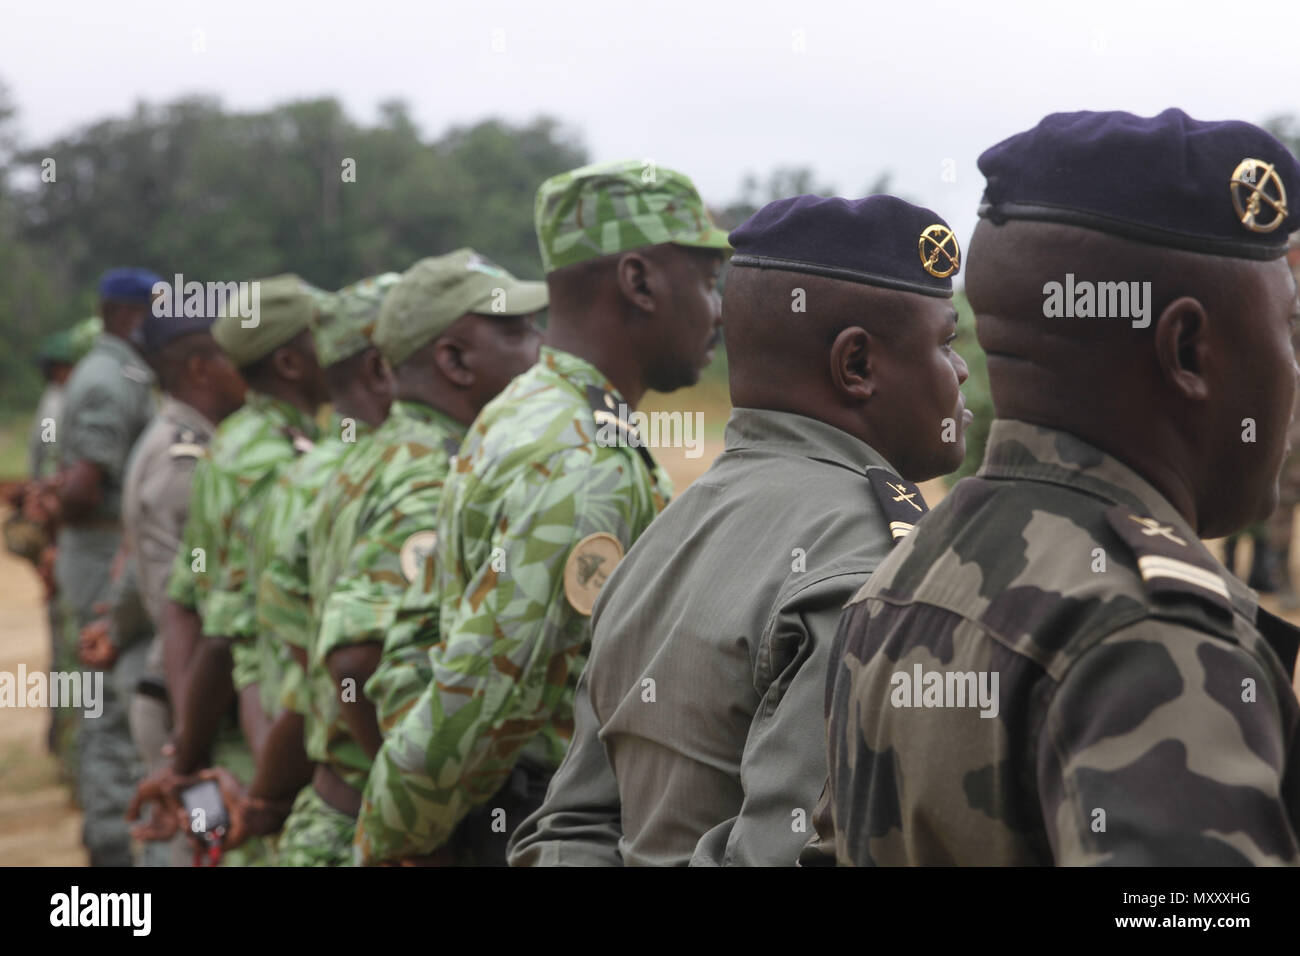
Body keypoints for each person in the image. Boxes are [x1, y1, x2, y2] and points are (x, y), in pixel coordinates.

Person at [819, 108, 1300, 865]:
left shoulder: (896, 582)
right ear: (1187, 349)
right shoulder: (1149, 638)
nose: (1294, 371)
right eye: (1290, 329)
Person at [509, 194, 971, 866]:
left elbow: (571, 831)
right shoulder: (871, 559)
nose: (961, 372)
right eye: (947, 343)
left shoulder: (662, 540)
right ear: (858, 367)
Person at [353, 159, 730, 864]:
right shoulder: (583, 460)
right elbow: (488, 691)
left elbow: (420, 630)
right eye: (708, 281)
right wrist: (388, 839)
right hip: (527, 827)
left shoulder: (522, 412)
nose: (719, 309)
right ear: (640, 282)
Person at [207, 252, 544, 865]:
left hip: (333, 809)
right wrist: (415, 823)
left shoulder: (345, 470)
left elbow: (291, 661)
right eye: (517, 332)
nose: (540, 351)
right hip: (381, 829)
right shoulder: (434, 479)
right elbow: (354, 660)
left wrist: (267, 796)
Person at [128, 274, 329, 865]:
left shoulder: (228, 447)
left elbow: (186, 601)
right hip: (253, 737)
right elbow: (221, 629)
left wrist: (186, 759)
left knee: (215, 850)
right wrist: (189, 762)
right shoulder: (265, 462)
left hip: (220, 728)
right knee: (227, 848)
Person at [85, 310, 246, 865]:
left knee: (204, 845)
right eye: (235, 361)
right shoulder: (185, 462)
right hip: (187, 694)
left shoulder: (181, 442)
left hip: (184, 687)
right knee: (209, 846)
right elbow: (188, 603)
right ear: (201, 369)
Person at [42, 268, 160, 867]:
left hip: (101, 553)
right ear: (129, 313)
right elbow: (87, 486)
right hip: (102, 559)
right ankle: (113, 856)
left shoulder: (114, 372)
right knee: (107, 705)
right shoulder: (111, 379)